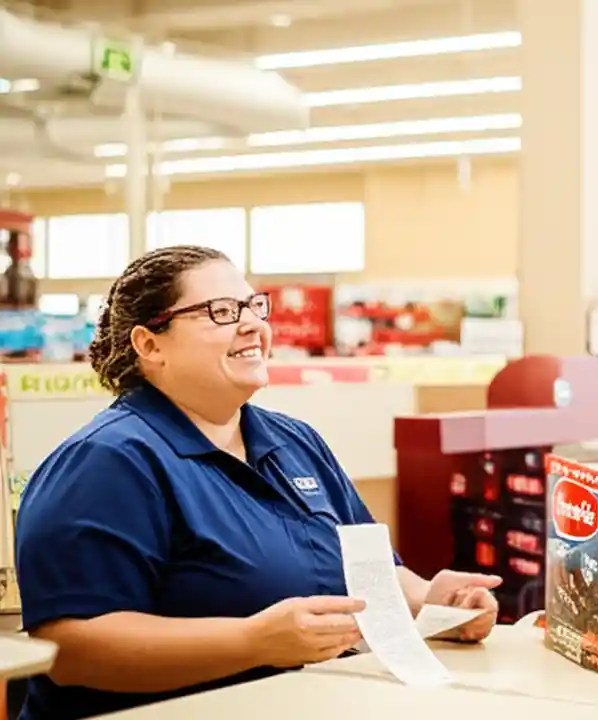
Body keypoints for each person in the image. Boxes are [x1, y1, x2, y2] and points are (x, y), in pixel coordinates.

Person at [14, 246, 502, 720]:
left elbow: (368, 571)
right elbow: (70, 647)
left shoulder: (295, 441)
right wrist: (252, 642)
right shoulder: (107, 463)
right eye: (221, 311)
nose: (253, 324)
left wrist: (434, 604)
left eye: (252, 305)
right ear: (150, 344)